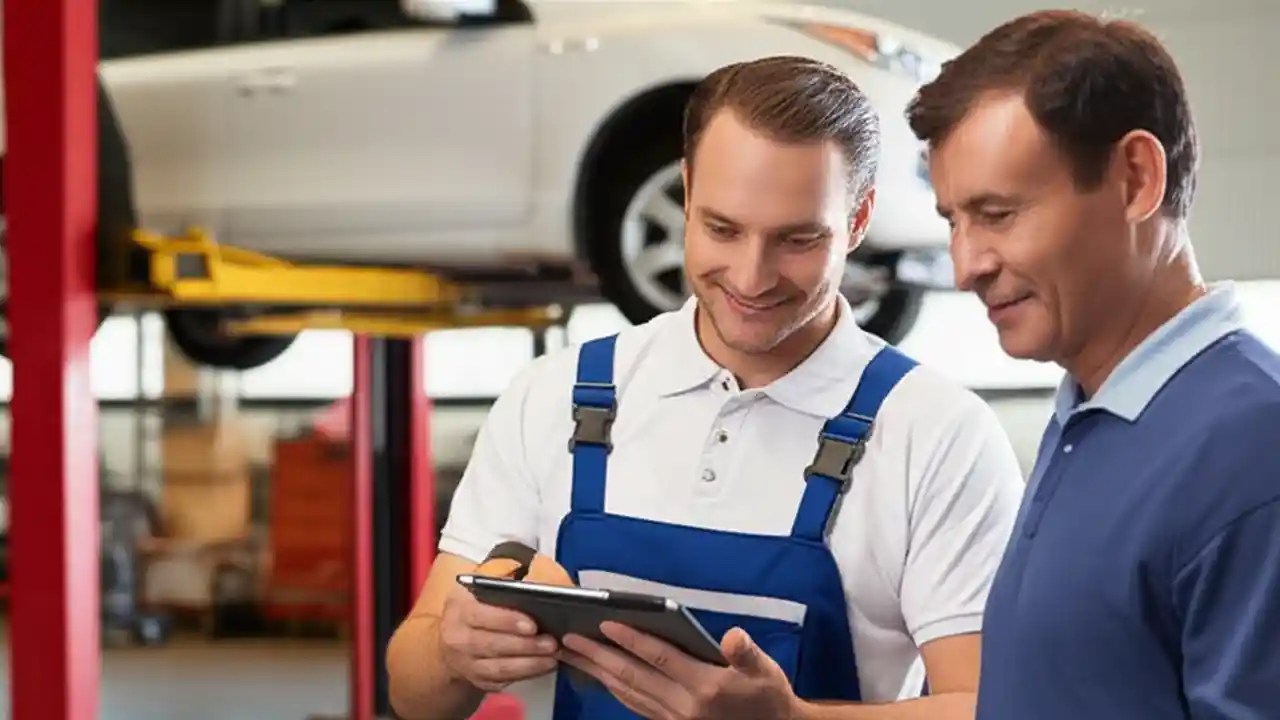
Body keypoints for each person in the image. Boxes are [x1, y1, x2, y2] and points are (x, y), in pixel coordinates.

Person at [386, 55, 1025, 720]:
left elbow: (994, 709)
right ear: (686, 192)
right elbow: (412, 693)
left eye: (797, 239)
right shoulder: (556, 395)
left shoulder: (937, 434)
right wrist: (454, 653)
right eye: (722, 228)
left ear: (858, 220)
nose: (751, 277)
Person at [906, 10, 1280, 720]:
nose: (965, 266)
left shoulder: (1255, 450)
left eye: (998, 213)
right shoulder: (1092, 415)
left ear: (1136, 179)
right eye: (952, 220)